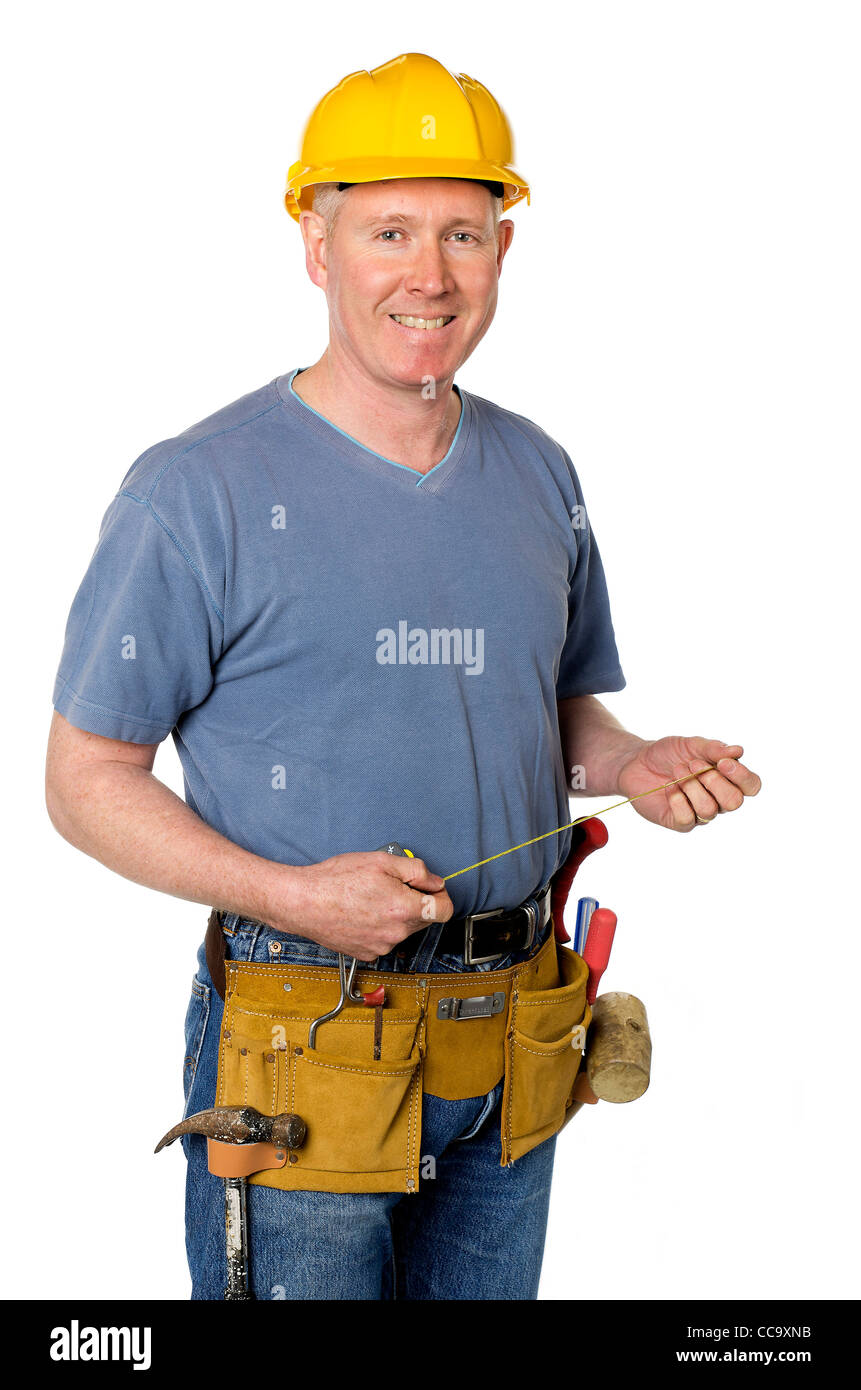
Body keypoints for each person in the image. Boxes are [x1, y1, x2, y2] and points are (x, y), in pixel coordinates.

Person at [45, 52, 761, 1301]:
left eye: (464, 234)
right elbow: (83, 777)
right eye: (389, 230)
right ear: (315, 248)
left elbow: (555, 711)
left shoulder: (541, 472)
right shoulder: (194, 492)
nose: (429, 276)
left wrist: (629, 762)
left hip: (516, 1035)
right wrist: (290, 891)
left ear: (501, 249)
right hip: (302, 1031)